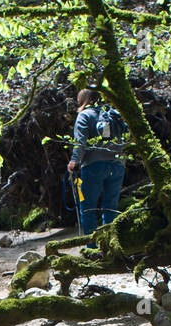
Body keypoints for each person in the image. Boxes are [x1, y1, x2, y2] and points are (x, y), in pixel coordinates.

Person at [67, 87, 127, 243]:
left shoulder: (84, 115)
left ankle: (92, 248)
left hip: (94, 166)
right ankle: (111, 245)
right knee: (110, 207)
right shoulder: (113, 114)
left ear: (83, 100)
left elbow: (80, 142)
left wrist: (74, 162)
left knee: (88, 208)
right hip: (117, 164)